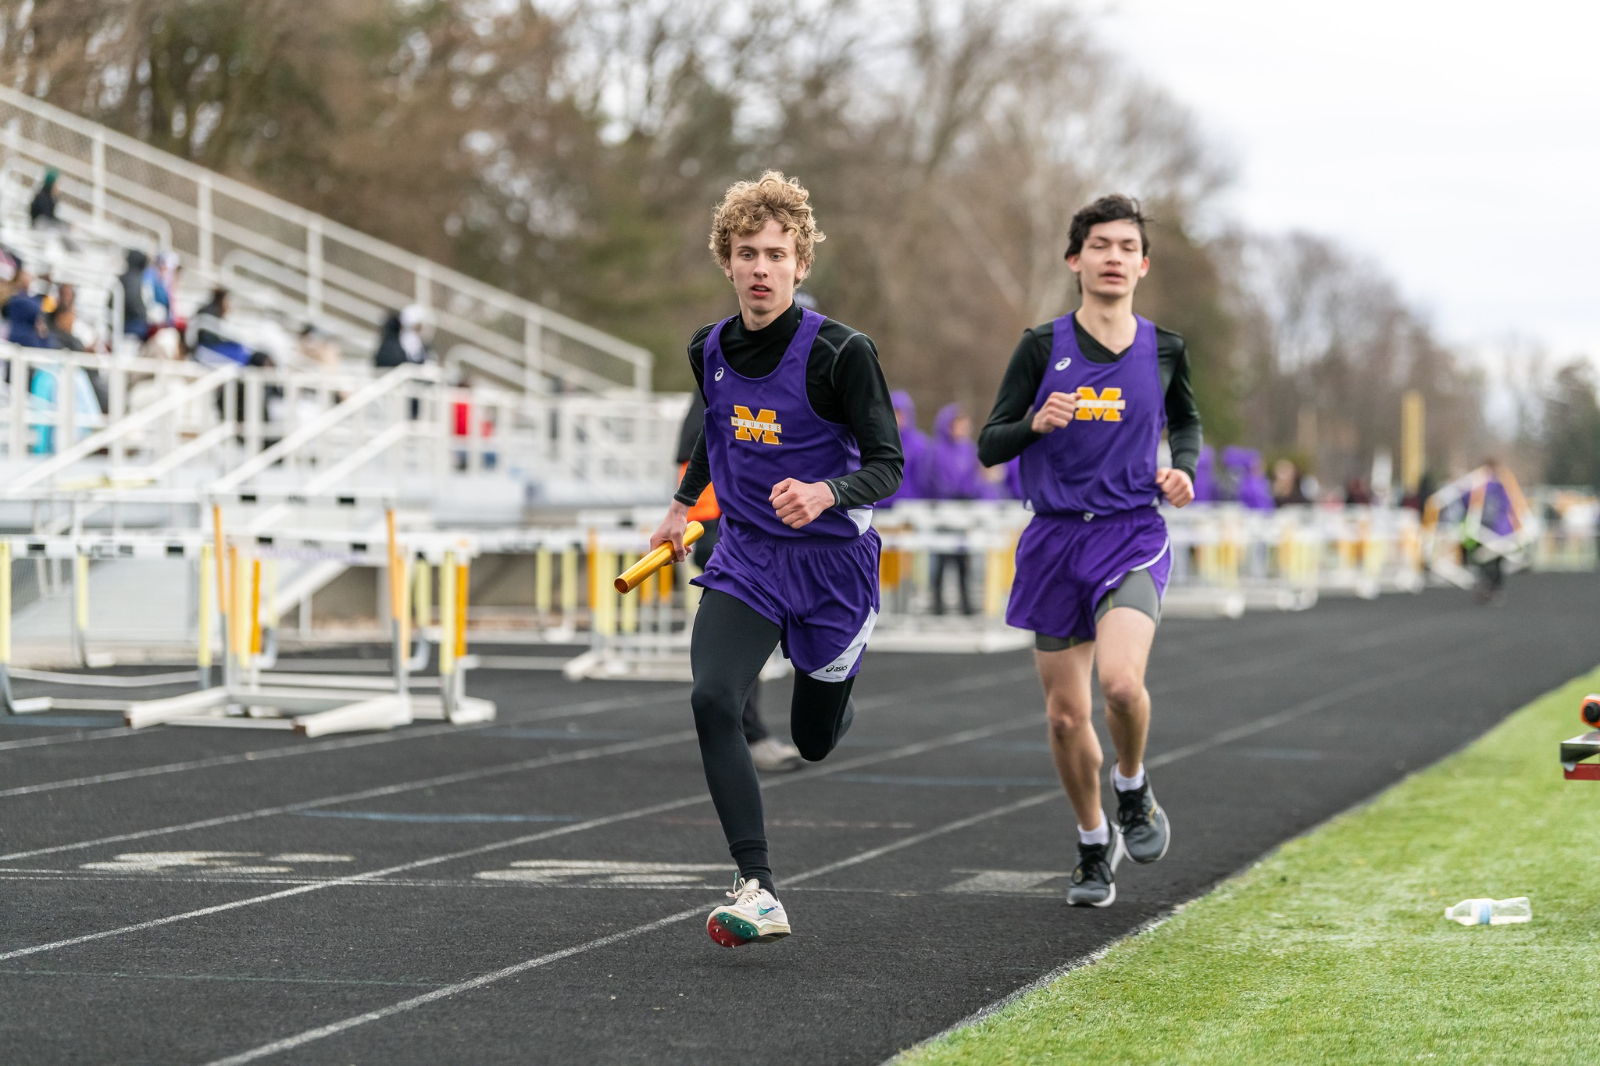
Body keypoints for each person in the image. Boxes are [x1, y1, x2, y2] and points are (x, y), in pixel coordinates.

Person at [649, 171, 901, 947]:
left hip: (831, 570)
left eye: (776, 254)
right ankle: (757, 885)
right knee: (711, 699)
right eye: (747, 253)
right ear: (726, 262)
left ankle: (839, 680)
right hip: (750, 559)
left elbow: (891, 466)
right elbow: (715, 442)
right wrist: (683, 507)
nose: (761, 267)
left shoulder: (841, 353)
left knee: (815, 737)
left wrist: (827, 492)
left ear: (801, 265)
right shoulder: (709, 349)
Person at [978, 194, 1201, 907]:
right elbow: (990, 443)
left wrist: (1183, 468)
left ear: (1142, 264)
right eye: (1099, 245)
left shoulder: (1164, 349)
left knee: (1121, 686)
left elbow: (1188, 422)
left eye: (1125, 246)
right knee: (1066, 716)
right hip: (1054, 540)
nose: (1112, 257)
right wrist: (1036, 421)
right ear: (1076, 261)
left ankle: (1132, 788)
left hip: (1131, 532)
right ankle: (1091, 839)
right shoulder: (1042, 347)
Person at [673, 392, 805, 773]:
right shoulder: (720, 386)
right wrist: (705, 526)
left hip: (750, 528)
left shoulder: (769, 384)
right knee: (738, 640)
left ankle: (750, 732)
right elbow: (694, 457)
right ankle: (750, 735)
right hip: (723, 531)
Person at [929, 403, 996, 615]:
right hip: (942, 512)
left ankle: (966, 603)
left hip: (965, 511)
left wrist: (973, 493)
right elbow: (931, 480)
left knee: (963, 560)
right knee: (940, 558)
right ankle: (937, 603)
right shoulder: (936, 450)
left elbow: (977, 478)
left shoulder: (970, 450)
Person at [881, 390, 932, 506]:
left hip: (911, 507)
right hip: (881, 506)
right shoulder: (878, 440)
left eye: (902, 413)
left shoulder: (920, 444)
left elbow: (924, 479)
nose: (898, 417)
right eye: (894, 412)